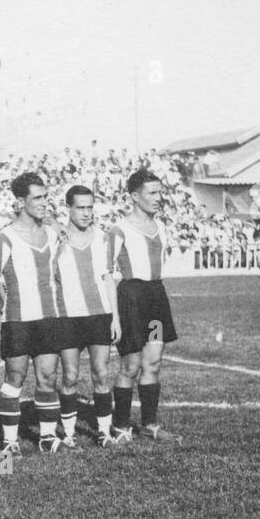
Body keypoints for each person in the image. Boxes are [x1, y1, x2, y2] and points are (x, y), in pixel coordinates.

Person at [0, 171, 64, 457]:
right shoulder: (4, 239)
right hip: (17, 320)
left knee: (47, 376)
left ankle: (46, 437)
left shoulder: (53, 234)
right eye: (37, 198)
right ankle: (9, 441)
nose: (44, 203)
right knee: (14, 377)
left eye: (46, 197)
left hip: (49, 318)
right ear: (20, 201)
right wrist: (6, 309)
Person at [107, 169, 180, 443]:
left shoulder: (161, 226)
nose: (158, 198)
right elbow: (107, 273)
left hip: (155, 299)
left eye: (160, 192)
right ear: (135, 196)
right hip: (132, 299)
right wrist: (114, 315)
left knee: (154, 361)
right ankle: (121, 426)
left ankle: (150, 424)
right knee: (131, 364)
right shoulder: (119, 229)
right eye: (152, 193)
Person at [53, 184, 119, 448]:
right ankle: (68, 433)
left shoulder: (102, 237)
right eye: (80, 207)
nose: (86, 213)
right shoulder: (56, 238)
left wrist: (115, 317)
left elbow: (107, 278)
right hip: (67, 316)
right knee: (69, 376)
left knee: (101, 373)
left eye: (90, 207)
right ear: (68, 208)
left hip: (98, 315)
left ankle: (104, 431)